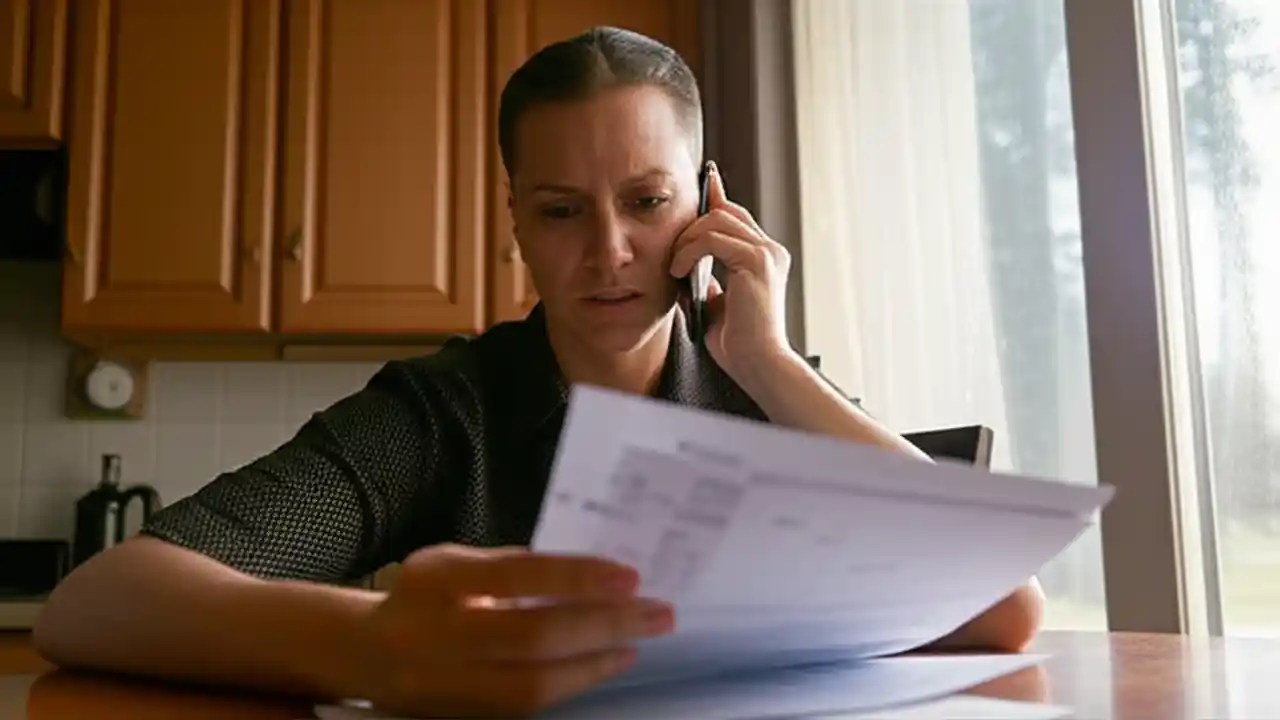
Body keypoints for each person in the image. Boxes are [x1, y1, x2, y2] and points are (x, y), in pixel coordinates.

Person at [34, 26, 1043, 718]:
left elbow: (1003, 605)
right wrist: (376, 645)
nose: (608, 252)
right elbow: (94, 602)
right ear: (515, 220)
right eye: (561, 211)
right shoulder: (442, 413)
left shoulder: (765, 392)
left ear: (706, 205)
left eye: (646, 203)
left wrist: (771, 363)